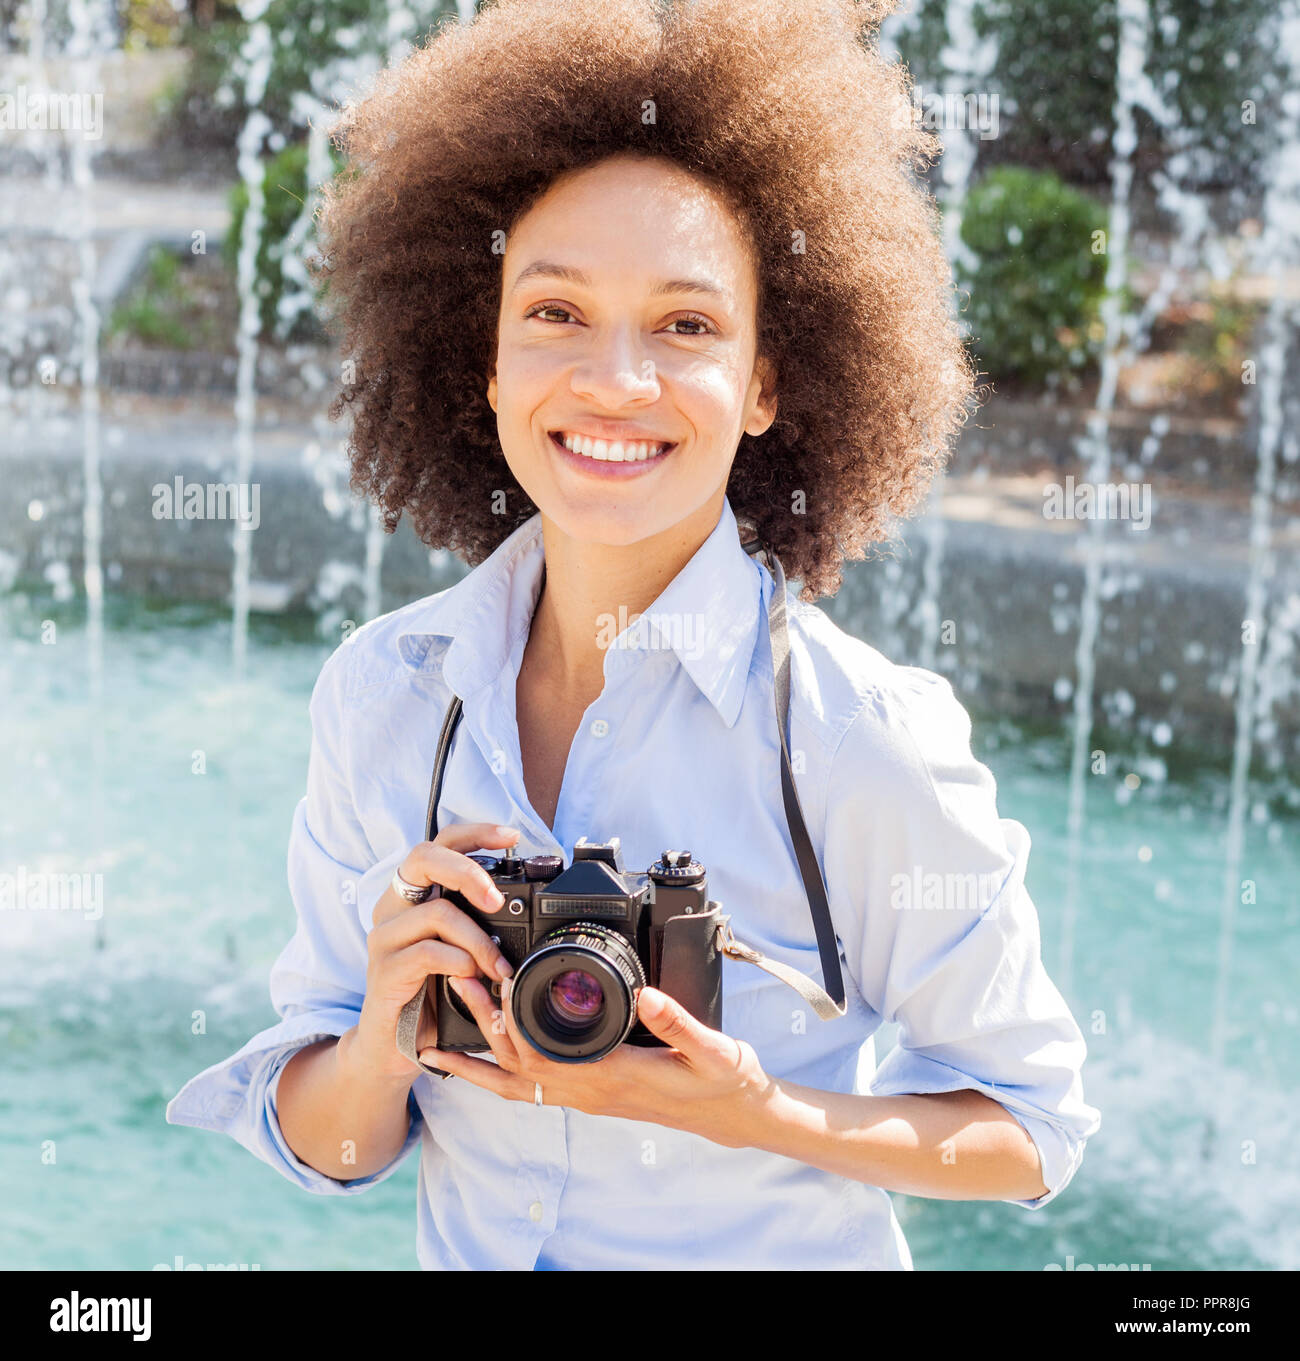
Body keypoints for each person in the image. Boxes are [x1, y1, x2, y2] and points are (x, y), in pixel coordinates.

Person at [166, 0, 1100, 1270]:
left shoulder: (856, 739)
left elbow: (1030, 1127)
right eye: (553, 312)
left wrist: (757, 1111)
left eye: (688, 324)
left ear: (769, 380)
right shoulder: (385, 695)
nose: (614, 380)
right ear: (482, 357)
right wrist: (383, 1026)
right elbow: (335, 1148)